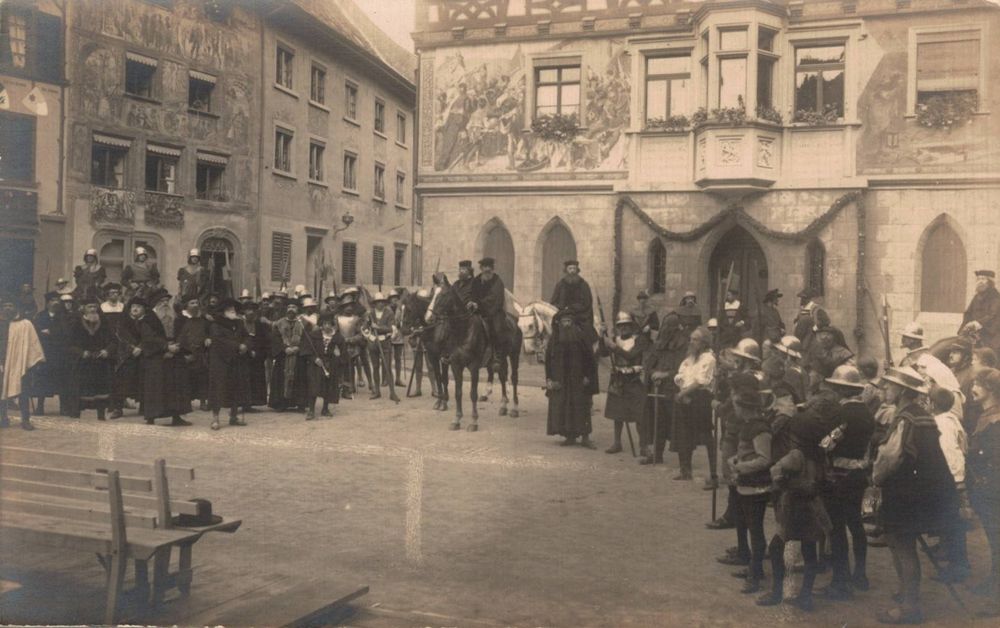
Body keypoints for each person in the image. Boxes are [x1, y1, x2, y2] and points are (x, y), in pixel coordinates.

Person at [872, 366, 960, 625]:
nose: (885, 389)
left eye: (889, 385)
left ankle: (910, 607)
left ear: (901, 390)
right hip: (919, 489)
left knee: (903, 546)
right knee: (896, 541)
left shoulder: (906, 418)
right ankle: (904, 592)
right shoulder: (919, 414)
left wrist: (875, 478)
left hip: (908, 492)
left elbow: (890, 458)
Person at [760, 411, 829, 610]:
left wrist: (783, 483)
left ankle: (776, 592)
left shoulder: (795, 455)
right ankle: (806, 596)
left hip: (794, 506)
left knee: (775, 546)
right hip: (813, 507)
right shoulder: (819, 454)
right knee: (809, 552)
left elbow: (776, 472)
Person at [819, 365, 875, 599]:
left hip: (838, 475)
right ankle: (860, 574)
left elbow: (826, 444)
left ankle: (840, 581)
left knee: (837, 528)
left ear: (841, 389)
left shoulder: (839, 414)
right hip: (859, 474)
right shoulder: (867, 413)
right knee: (856, 524)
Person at [728, 380, 773, 595]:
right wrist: (734, 459)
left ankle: (755, 575)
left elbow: (765, 459)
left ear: (745, 407)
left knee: (756, 530)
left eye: (736, 405)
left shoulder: (760, 429)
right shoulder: (747, 425)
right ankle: (753, 568)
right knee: (746, 523)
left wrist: (742, 467)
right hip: (745, 483)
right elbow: (746, 451)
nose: (734, 408)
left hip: (757, 486)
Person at [926, 386, 972, 584]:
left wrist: (952, 479)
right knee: (954, 524)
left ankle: (958, 567)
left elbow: (949, 453)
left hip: (950, 479)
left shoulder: (941, 424)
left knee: (952, 524)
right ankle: (957, 563)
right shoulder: (953, 421)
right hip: (956, 478)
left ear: (933, 404)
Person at [967, 368, 1000, 616]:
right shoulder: (985, 416)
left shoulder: (996, 420)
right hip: (987, 488)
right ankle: (994, 582)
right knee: (994, 539)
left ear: (991, 390)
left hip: (994, 488)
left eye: (977, 384)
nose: (973, 388)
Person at [134, 293, 192, 427]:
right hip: (156, 356)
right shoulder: (148, 320)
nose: (165, 303)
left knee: (176, 386)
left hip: (175, 354)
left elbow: (183, 333)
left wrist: (177, 347)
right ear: (155, 304)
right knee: (155, 387)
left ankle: (176, 417)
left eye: (167, 301)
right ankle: (151, 417)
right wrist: (166, 347)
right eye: (161, 301)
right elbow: (148, 338)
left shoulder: (176, 317)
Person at [545, 312, 598, 448]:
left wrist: (587, 376)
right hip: (561, 380)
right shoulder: (555, 339)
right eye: (564, 321)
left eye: (569, 321)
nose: (566, 324)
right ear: (560, 323)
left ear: (573, 323)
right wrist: (549, 378)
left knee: (581, 407)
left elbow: (590, 359)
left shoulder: (581, 337)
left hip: (578, 379)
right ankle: (570, 436)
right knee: (565, 408)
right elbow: (548, 360)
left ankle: (585, 437)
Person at [600, 312, 649, 456]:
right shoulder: (615, 339)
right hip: (618, 380)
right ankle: (617, 442)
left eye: (627, 325)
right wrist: (602, 336)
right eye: (621, 326)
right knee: (617, 413)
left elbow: (631, 356)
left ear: (632, 326)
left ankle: (643, 445)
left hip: (634, 379)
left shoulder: (640, 340)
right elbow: (603, 352)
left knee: (639, 413)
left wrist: (614, 347)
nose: (624, 328)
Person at [673, 326, 717, 480]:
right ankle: (685, 470)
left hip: (700, 399)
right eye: (691, 339)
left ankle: (713, 474)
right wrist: (681, 389)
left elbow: (700, 381)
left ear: (704, 342)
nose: (691, 342)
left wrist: (682, 393)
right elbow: (680, 375)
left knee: (705, 435)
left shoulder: (708, 358)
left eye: (696, 339)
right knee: (684, 434)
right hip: (684, 396)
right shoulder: (689, 358)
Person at [641, 312, 685, 466]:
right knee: (657, 422)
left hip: (673, 389)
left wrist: (665, 374)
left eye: (668, 327)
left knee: (676, 424)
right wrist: (653, 374)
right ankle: (657, 455)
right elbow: (649, 363)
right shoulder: (658, 343)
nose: (665, 330)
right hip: (657, 389)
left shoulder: (682, 345)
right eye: (664, 326)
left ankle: (684, 461)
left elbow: (682, 368)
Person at [64, 298, 114, 420]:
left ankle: (101, 415)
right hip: (83, 362)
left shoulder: (104, 323)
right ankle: (76, 414)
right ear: (84, 309)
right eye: (89, 307)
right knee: (80, 388)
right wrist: (81, 352)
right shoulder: (76, 323)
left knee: (101, 389)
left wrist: (106, 351)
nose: (92, 309)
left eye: (94, 307)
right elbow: (69, 344)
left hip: (100, 362)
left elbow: (113, 341)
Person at [0, 295, 43, 430]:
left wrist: (33, 362)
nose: (7, 308)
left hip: (20, 363)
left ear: (16, 307)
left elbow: (33, 343)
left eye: (10, 305)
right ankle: (3, 418)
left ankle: (25, 420)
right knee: (1, 392)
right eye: (5, 305)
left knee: (24, 392)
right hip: (2, 363)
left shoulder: (26, 324)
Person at [207, 299, 250, 430]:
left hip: (236, 360)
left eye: (234, 309)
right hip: (220, 361)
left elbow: (246, 336)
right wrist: (238, 346)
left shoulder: (239, 323)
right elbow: (219, 340)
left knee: (236, 387)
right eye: (229, 309)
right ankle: (215, 418)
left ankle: (234, 417)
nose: (233, 311)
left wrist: (246, 345)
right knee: (218, 389)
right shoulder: (216, 325)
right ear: (223, 311)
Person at [301, 312, 346, 420]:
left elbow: (344, 354)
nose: (326, 326)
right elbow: (306, 350)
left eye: (329, 324)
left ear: (332, 324)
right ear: (321, 324)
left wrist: (337, 357)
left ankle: (325, 409)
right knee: (313, 386)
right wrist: (314, 359)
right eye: (324, 324)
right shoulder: (314, 335)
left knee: (328, 386)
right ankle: (311, 410)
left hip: (331, 364)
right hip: (316, 364)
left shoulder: (338, 337)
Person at [31, 291, 67, 415]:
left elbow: (66, 332)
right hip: (45, 352)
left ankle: (64, 408)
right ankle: (40, 407)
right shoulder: (40, 316)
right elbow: (35, 333)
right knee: (43, 380)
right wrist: (43, 333)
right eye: (53, 300)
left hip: (60, 353)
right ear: (47, 303)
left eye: (57, 300)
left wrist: (51, 331)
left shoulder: (63, 316)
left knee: (62, 380)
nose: (56, 302)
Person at [470, 257, 506, 369]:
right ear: (481, 268)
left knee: (496, 328)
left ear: (492, 268)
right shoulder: (476, 280)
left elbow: (495, 298)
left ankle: (497, 356)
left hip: (494, 311)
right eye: (484, 267)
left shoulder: (497, 281)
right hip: (478, 311)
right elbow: (472, 294)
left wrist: (479, 304)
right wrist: (471, 303)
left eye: (489, 267)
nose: (487, 270)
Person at [175, 297, 210, 410]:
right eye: (192, 303)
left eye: (196, 303)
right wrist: (184, 352)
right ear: (186, 306)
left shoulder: (203, 320)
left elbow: (209, 332)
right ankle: (187, 402)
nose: (195, 305)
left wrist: (208, 339)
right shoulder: (180, 320)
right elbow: (178, 337)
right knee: (186, 378)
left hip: (200, 352)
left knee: (202, 377)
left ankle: (203, 401)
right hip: (186, 353)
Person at [270, 301, 306, 411]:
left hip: (298, 355)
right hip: (283, 355)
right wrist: (284, 348)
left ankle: (300, 403)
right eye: (289, 306)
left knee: (299, 378)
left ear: (297, 310)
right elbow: (275, 339)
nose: (291, 309)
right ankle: (281, 403)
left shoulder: (303, 323)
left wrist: (298, 348)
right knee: (280, 378)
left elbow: (307, 339)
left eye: (294, 307)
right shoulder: (278, 323)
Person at [550, 260, 596, 345]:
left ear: (577, 270)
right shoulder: (560, 284)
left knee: (586, 333)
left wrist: (572, 308)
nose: (572, 271)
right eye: (570, 268)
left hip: (580, 314)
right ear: (566, 270)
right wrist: (561, 307)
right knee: (553, 331)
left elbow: (587, 302)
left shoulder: (583, 284)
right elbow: (553, 301)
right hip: (563, 313)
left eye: (574, 268)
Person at [962, 269, 1000, 353]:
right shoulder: (976, 297)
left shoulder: (995, 297)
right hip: (975, 332)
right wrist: (965, 326)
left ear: (990, 282)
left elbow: (993, 315)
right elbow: (968, 313)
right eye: (978, 279)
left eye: (983, 279)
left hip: (991, 333)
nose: (980, 282)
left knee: (991, 351)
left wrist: (977, 323)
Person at [241, 301, 270, 410]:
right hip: (243, 356)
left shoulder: (259, 325)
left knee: (255, 379)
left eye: (253, 310)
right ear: (244, 312)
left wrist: (259, 352)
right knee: (243, 380)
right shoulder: (240, 324)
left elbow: (264, 340)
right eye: (248, 310)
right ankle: (243, 403)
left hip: (257, 357)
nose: (251, 312)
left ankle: (252, 403)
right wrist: (248, 350)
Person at [366, 292, 394, 399]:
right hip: (373, 343)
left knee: (387, 367)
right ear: (374, 303)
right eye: (378, 302)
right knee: (375, 367)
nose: (380, 304)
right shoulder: (370, 313)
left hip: (385, 343)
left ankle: (392, 392)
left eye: (382, 302)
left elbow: (391, 328)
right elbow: (364, 328)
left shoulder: (389, 313)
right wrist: (369, 337)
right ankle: (377, 391)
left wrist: (378, 327)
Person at [389, 288, 406, 387]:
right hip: (389, 335)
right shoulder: (386, 309)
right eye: (392, 298)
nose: (394, 300)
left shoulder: (401, 309)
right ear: (389, 299)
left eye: (396, 298)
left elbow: (404, 320)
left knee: (398, 358)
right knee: (387, 358)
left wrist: (401, 324)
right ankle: (387, 378)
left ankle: (398, 379)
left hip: (399, 335)